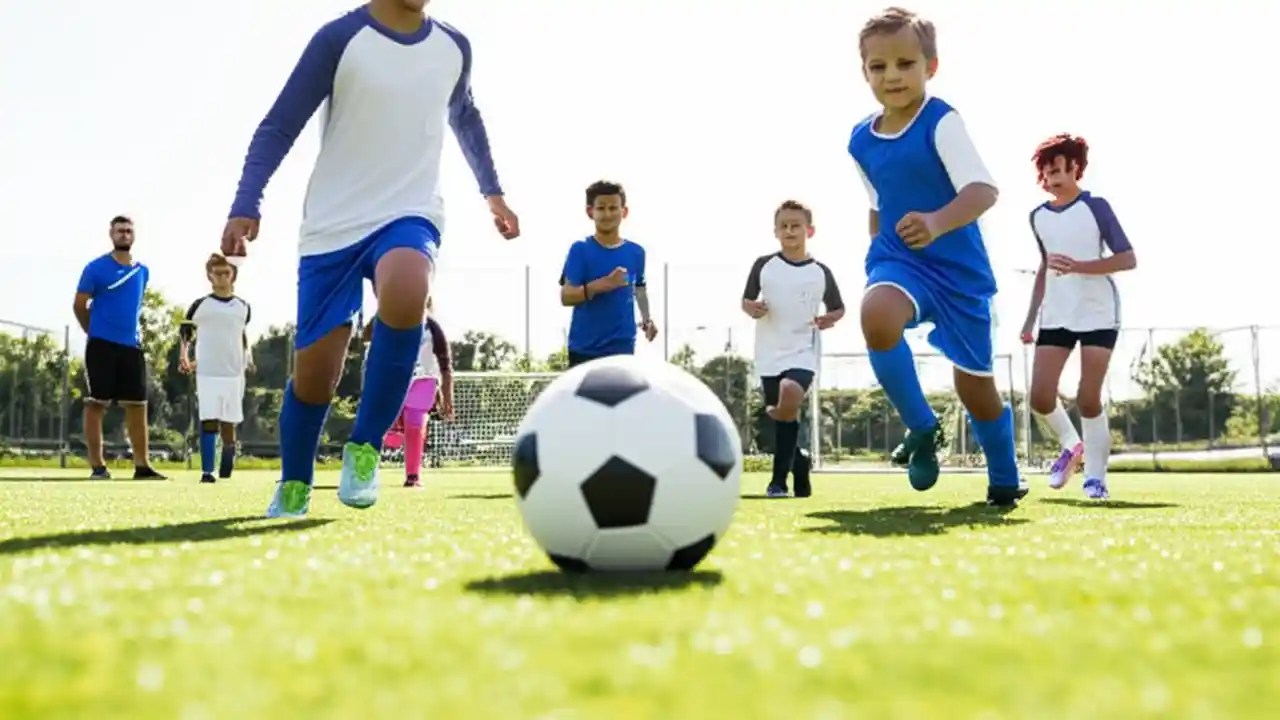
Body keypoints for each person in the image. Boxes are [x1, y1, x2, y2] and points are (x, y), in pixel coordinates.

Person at [220, 0, 519, 518]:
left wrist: (492, 192)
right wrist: (248, 201)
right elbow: (279, 124)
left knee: (408, 289)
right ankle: (295, 482)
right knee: (317, 375)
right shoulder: (339, 38)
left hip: (411, 210)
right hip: (332, 223)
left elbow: (465, 117)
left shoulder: (453, 47)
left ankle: (365, 446)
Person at [848, 7, 1027, 507]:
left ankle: (1005, 476)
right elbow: (878, 204)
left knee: (975, 388)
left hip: (958, 274)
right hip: (899, 262)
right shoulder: (860, 139)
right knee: (876, 314)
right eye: (879, 67)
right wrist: (876, 259)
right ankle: (923, 428)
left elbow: (983, 191)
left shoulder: (941, 121)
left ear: (931, 66)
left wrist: (935, 222)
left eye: (906, 63)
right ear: (864, 73)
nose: (893, 76)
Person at [1020, 133, 1136, 500]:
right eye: (1045, 169)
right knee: (1039, 396)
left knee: (1088, 397)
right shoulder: (1037, 216)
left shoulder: (1096, 207)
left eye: (1058, 167)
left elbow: (1127, 258)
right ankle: (1072, 446)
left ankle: (1096, 478)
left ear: (1076, 168)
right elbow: (1044, 268)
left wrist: (1081, 266)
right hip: (1056, 314)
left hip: (1098, 312)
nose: (1051, 174)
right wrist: (1028, 320)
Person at [742, 200, 844, 498]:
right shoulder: (764, 265)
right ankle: (798, 463)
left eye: (795, 225)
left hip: (804, 350)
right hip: (769, 351)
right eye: (784, 226)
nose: (790, 230)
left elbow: (838, 308)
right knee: (784, 420)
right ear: (776, 231)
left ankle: (777, 483)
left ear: (808, 230)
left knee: (789, 394)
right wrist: (753, 308)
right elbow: (746, 301)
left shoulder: (820, 272)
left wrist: (829, 319)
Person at [72, 215, 166, 481]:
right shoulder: (96, 268)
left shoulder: (141, 271)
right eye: (119, 231)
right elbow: (80, 305)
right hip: (101, 345)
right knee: (97, 402)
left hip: (131, 346)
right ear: (111, 234)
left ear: (133, 235)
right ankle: (98, 466)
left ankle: (142, 466)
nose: (124, 234)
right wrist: (93, 331)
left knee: (137, 404)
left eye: (128, 230)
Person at [558, 180, 657, 367]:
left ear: (624, 212)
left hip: (623, 349)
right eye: (601, 208)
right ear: (590, 212)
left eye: (613, 208)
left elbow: (639, 289)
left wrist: (647, 320)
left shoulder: (636, 253)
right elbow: (566, 296)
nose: (607, 214)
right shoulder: (580, 250)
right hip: (584, 350)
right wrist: (604, 284)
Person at [179, 254, 253, 484]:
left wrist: (248, 357)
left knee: (228, 419)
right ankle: (207, 470)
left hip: (233, 371)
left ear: (233, 276)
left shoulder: (243, 307)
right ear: (210, 276)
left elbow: (241, 333)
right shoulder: (200, 305)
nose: (221, 277)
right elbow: (186, 333)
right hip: (208, 371)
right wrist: (184, 355)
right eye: (217, 273)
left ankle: (229, 450)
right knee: (208, 417)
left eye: (226, 273)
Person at [366, 296, 453, 488]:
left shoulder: (433, 327)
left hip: (424, 381)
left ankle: (413, 476)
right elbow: (366, 337)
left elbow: (446, 364)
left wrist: (447, 396)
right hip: (393, 380)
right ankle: (366, 471)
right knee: (391, 436)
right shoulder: (390, 320)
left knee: (415, 427)